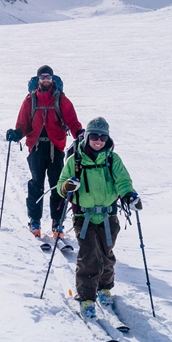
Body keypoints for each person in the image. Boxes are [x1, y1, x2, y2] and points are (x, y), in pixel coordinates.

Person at [57, 117, 142, 319]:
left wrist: (130, 196)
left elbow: (123, 181)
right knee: (88, 256)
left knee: (106, 254)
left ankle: (104, 287)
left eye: (103, 137)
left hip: (108, 215)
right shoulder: (75, 161)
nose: (98, 140)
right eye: (94, 136)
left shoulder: (113, 159)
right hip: (83, 216)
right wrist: (68, 186)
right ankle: (86, 297)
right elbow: (61, 186)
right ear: (87, 137)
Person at [6, 65, 83, 238]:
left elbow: (72, 121)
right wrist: (16, 133)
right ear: (38, 79)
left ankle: (57, 222)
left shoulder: (61, 100)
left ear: (53, 79)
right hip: (36, 148)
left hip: (56, 148)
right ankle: (35, 221)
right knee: (36, 184)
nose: (46, 80)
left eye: (48, 77)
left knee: (58, 185)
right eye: (43, 77)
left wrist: (80, 133)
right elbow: (23, 124)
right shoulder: (30, 101)